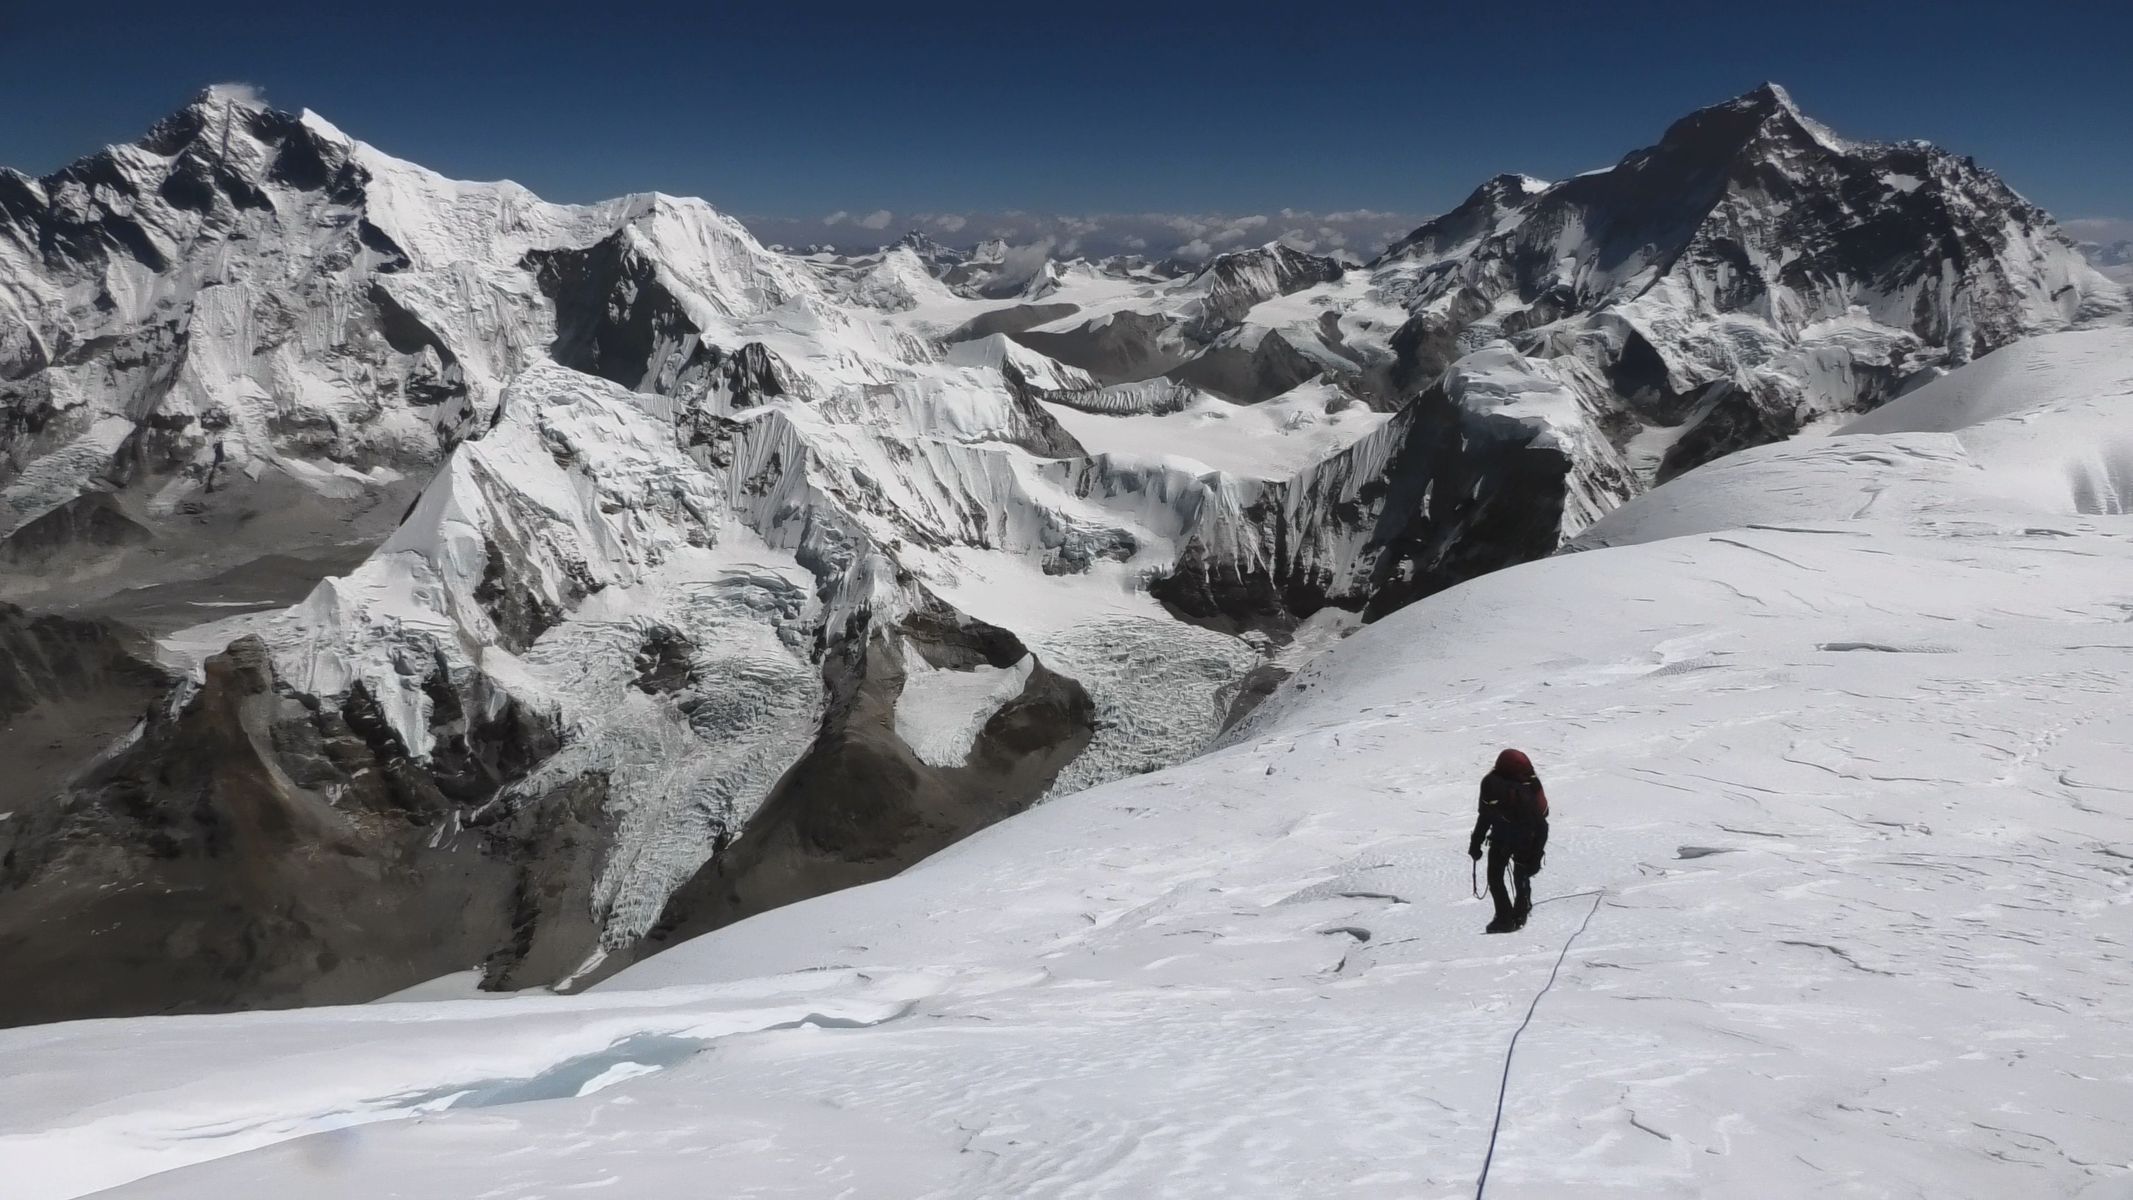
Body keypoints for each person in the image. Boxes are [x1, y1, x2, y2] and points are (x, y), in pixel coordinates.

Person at [1468, 749, 1550, 933]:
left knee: (1495, 878)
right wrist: (1536, 853)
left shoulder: (1491, 783)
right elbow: (1543, 819)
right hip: (1529, 837)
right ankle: (1521, 911)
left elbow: (1485, 816)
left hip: (1502, 837)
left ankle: (1504, 918)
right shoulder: (1531, 783)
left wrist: (1476, 843)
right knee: (1521, 873)